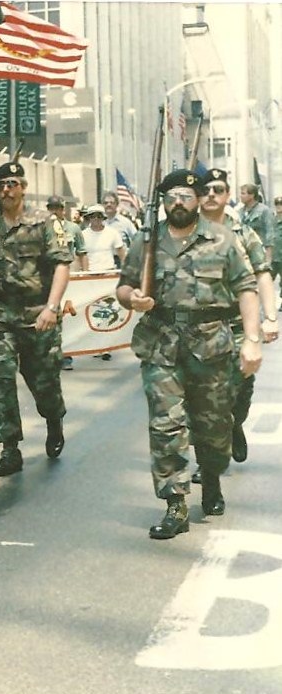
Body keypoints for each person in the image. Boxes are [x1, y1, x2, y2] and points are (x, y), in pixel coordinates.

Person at [116, 169, 262, 539]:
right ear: (162, 202)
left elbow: (247, 288)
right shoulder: (147, 241)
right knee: (166, 424)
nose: (177, 202)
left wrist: (252, 339)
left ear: (197, 200)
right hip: (161, 342)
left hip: (211, 346)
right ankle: (175, 503)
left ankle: (211, 478)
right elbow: (123, 286)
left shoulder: (223, 239)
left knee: (213, 427)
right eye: (170, 196)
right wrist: (133, 298)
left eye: (185, 195)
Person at [0, 162, 72, 476]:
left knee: (42, 381)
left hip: (37, 314)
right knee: (2, 379)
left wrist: (52, 307)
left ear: (23, 187)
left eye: (13, 183)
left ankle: (53, 418)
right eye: (2, 185)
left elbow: (61, 265)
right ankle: (10, 448)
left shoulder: (45, 221)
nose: (7, 190)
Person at [197, 169, 278, 473]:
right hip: (200, 328)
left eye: (218, 190)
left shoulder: (243, 233)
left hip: (237, 326)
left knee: (238, 392)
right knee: (202, 399)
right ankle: (207, 459)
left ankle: (235, 424)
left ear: (228, 195)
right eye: (205, 190)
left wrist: (270, 318)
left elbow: (262, 273)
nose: (211, 195)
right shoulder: (186, 232)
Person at [239, 183, 275, 268]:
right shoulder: (240, 212)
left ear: (251, 195)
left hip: (260, 253)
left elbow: (270, 234)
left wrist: (268, 259)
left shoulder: (264, 210)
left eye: (243, 193)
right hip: (244, 254)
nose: (240, 196)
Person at [48, 196, 87, 272]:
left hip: (68, 268)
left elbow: (82, 252)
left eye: (57, 208)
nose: (54, 211)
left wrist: (86, 274)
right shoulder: (42, 228)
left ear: (63, 210)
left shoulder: (73, 227)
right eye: (51, 208)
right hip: (48, 270)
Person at [81, 205, 125, 271]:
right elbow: (80, 256)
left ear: (103, 217)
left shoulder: (112, 232)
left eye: (99, 216)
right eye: (93, 216)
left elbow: (121, 253)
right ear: (89, 218)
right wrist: (84, 274)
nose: (96, 218)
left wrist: (125, 270)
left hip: (109, 272)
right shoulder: (83, 235)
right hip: (90, 274)